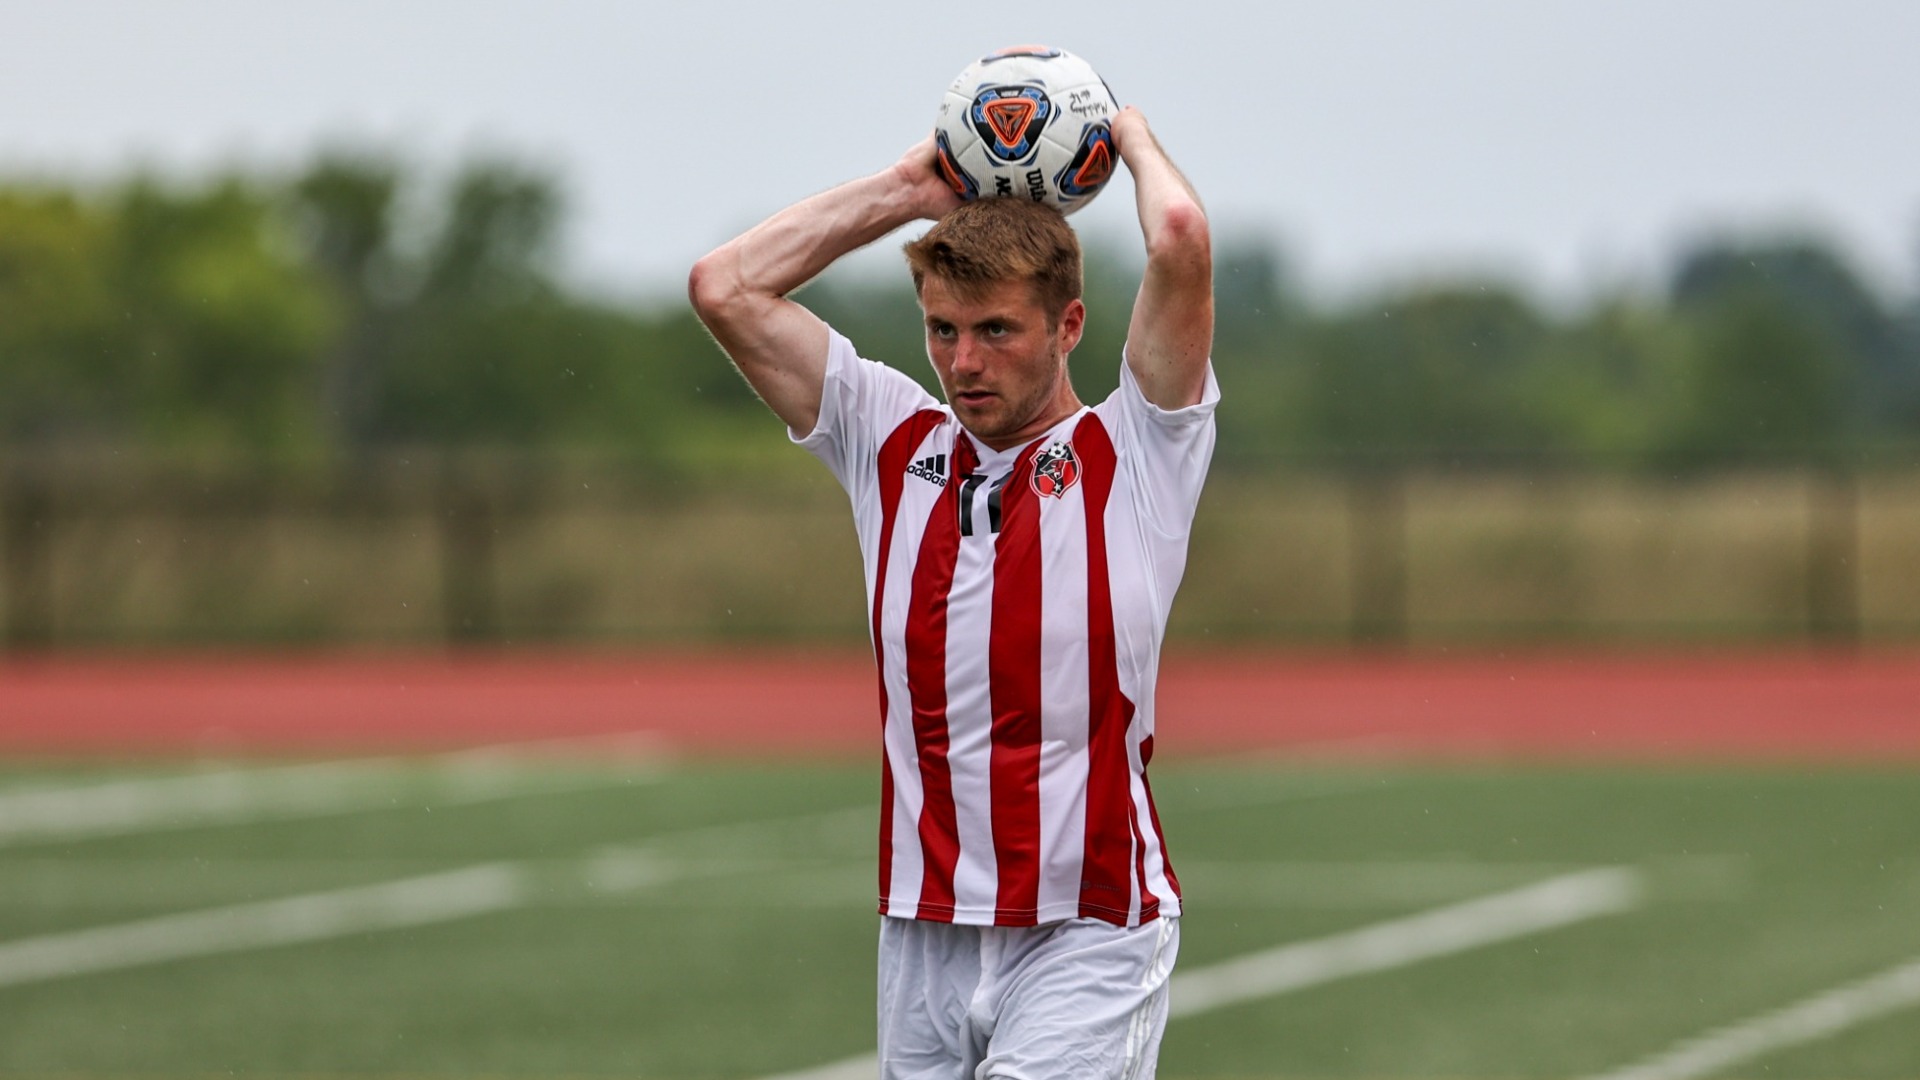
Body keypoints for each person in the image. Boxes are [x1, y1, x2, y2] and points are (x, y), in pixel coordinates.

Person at [688, 103, 1216, 1080]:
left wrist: (1128, 135)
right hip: (922, 931)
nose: (963, 362)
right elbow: (725, 287)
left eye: (996, 330)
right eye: (942, 329)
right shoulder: (889, 440)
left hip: (1088, 926)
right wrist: (909, 192)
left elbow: (1178, 237)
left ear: (1069, 326)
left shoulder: (1135, 450)